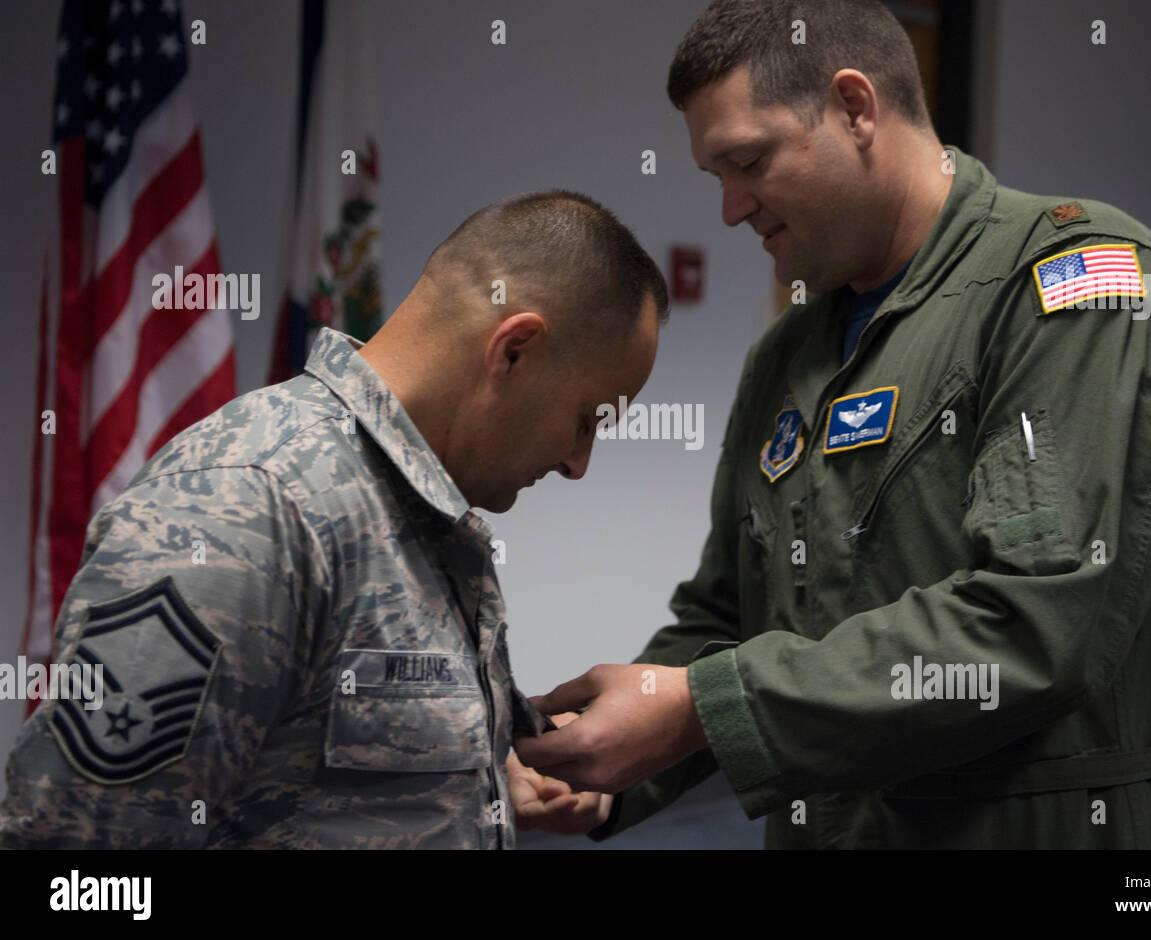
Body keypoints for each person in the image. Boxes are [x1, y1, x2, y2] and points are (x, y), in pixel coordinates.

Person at [511, 0, 1151, 848]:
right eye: (716, 177)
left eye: (748, 161)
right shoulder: (787, 356)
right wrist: (613, 766)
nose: (732, 208)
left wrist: (701, 708)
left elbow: (1034, 626)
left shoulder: (1077, 290)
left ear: (855, 108)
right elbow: (728, 617)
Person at [0, 190, 667, 849]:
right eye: (588, 420)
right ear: (514, 350)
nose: (579, 463)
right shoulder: (247, 509)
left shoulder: (423, 512)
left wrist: (485, 782)